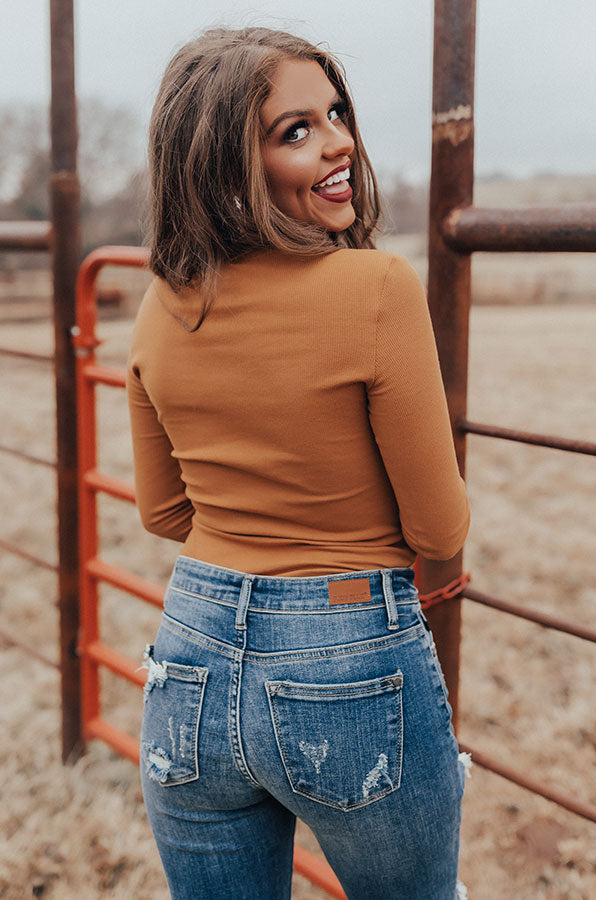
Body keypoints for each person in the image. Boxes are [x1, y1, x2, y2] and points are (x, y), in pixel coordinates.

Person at [126, 25, 471, 900]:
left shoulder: (165, 304)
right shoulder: (377, 289)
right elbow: (440, 529)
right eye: (296, 131)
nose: (339, 142)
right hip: (349, 654)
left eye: (336, 114)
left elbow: (163, 513)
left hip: (190, 656)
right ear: (225, 164)